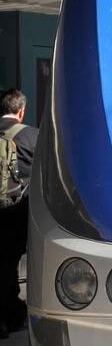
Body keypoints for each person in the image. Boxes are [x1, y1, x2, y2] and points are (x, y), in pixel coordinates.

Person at [0, 89, 38, 332]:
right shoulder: (32, 137)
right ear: (21, 111)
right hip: (12, 213)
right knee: (8, 261)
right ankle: (9, 316)